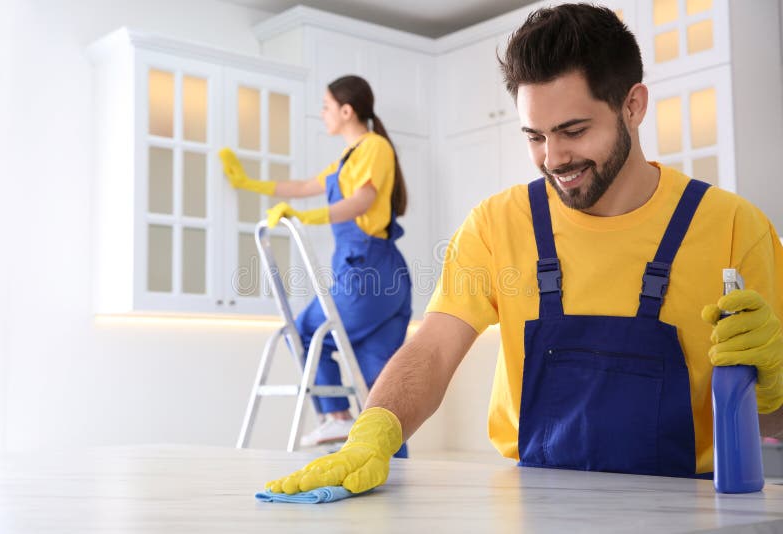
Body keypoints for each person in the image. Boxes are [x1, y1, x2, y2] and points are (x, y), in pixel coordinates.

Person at [263, 3, 783, 496]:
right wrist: (375, 431)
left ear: (633, 105)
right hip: (535, 504)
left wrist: (775, 387)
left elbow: (773, 419)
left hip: (691, 510)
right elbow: (433, 349)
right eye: (534, 136)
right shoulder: (498, 225)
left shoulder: (733, 229)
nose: (553, 158)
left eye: (573, 130)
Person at [220, 75, 412, 457]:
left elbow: (363, 200)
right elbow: (301, 187)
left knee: (305, 332)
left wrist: (306, 218)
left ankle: (337, 416)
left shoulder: (374, 147)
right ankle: (394, 467)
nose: (322, 113)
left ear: (347, 110)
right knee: (377, 386)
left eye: (326, 106)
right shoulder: (347, 159)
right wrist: (246, 183)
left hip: (369, 272)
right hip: (376, 275)